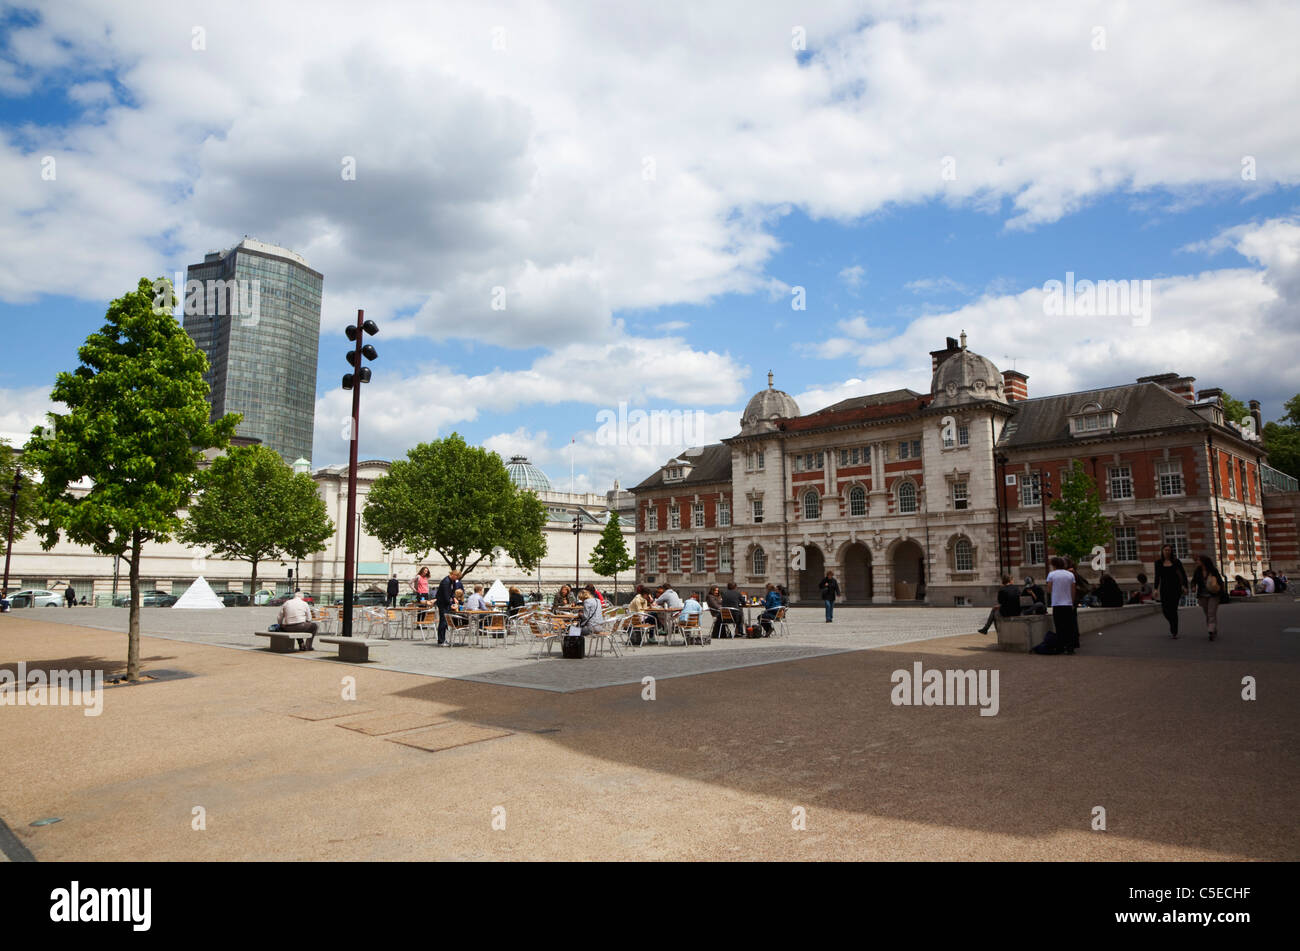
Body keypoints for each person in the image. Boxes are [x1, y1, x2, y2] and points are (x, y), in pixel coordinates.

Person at [1153, 544, 1189, 638]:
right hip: (1164, 588)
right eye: (1165, 550)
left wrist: (1184, 586)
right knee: (1165, 610)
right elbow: (1157, 577)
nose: (1167, 552)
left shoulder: (1176, 562)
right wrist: (1156, 588)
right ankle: (1172, 623)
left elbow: (1183, 575)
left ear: (1171, 551)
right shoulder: (1158, 563)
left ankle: (1174, 631)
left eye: (1169, 550)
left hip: (1175, 588)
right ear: (1162, 551)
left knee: (1173, 609)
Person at [1046, 556, 1079, 654]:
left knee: (1059, 627)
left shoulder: (1051, 574)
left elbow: (1049, 589)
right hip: (1068, 603)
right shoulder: (1070, 575)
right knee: (1069, 627)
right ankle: (1070, 648)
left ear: (1054, 565)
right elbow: (1073, 590)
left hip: (1057, 604)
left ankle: (1060, 647)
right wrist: (1072, 602)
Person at [1191, 555, 1226, 641]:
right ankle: (1213, 628)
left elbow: (1220, 582)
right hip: (1202, 595)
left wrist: (1221, 592)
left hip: (1213, 595)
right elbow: (1193, 580)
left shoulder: (1213, 570)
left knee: (1211, 613)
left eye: (1198, 560)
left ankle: (1210, 630)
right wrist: (1193, 586)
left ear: (1203, 561)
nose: (1197, 562)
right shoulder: (1198, 571)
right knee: (1207, 613)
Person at [434, 569, 461, 645]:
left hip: (447, 603)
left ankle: (443, 639)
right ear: (453, 575)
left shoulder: (452, 581)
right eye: (456, 577)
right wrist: (451, 604)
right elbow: (446, 596)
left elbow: (452, 592)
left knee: (445, 622)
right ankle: (441, 640)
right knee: (443, 621)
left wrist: (454, 598)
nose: (456, 579)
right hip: (442, 603)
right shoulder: (446, 582)